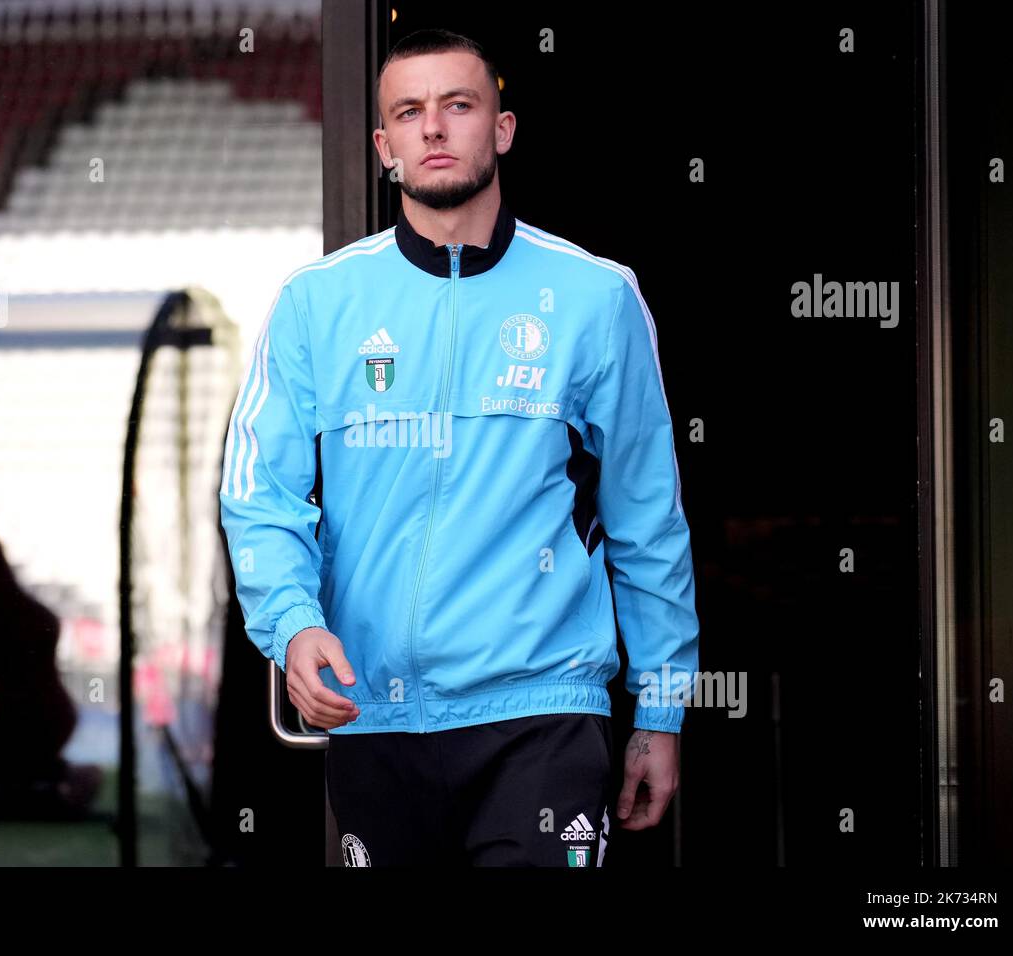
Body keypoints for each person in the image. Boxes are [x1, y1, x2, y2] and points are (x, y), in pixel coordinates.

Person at [218, 27, 700, 866]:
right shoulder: (315, 303)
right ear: (385, 147)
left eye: (458, 105)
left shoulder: (594, 297)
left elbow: (647, 519)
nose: (433, 128)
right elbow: (259, 496)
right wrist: (293, 627)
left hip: (540, 716)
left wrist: (658, 712)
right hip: (377, 717)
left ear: (502, 128)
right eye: (409, 113)